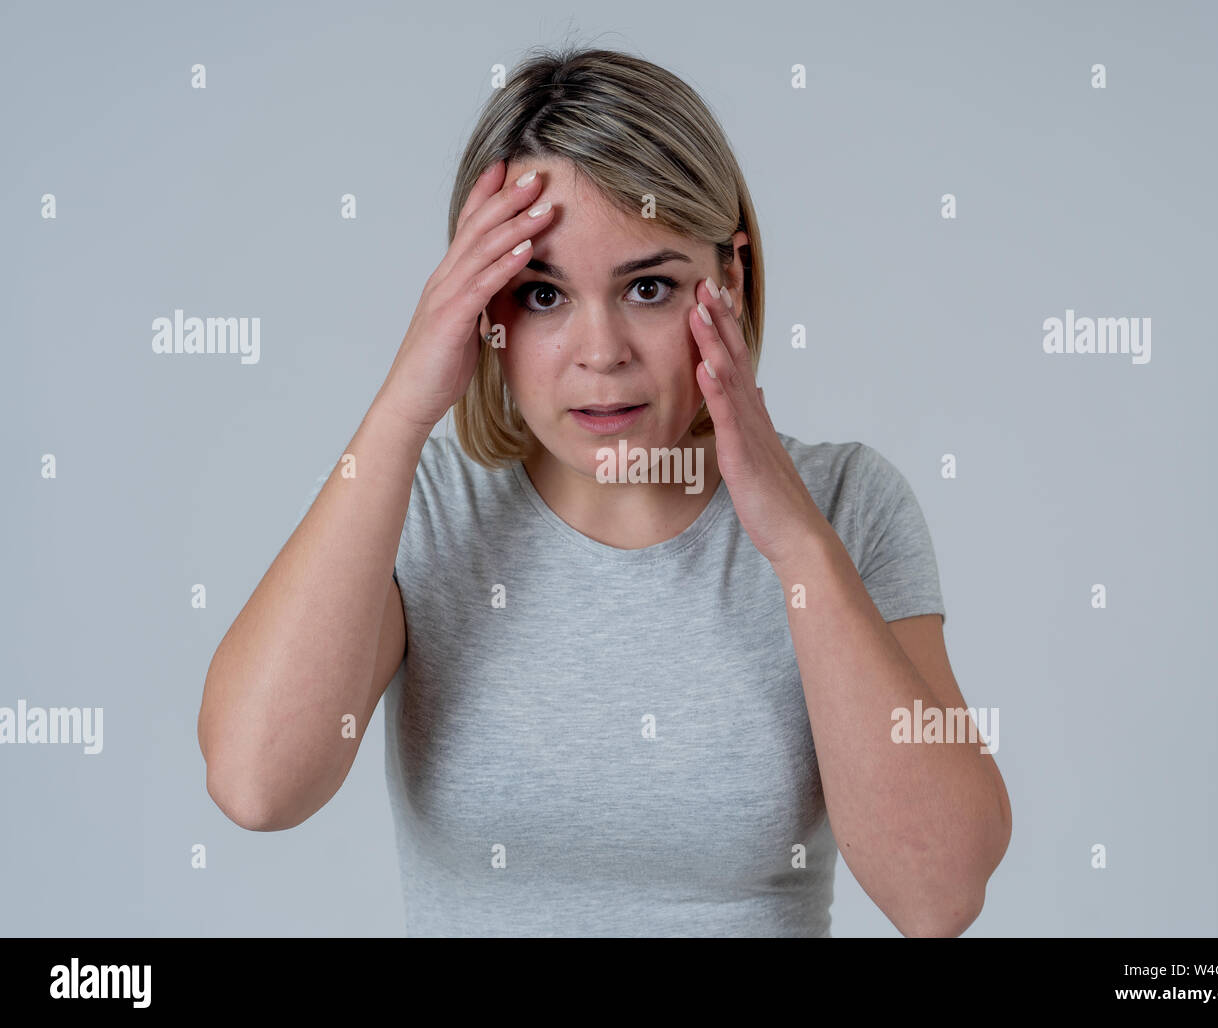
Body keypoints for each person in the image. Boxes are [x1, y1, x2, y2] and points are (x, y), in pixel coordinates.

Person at [197, 44, 1012, 938]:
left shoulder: (849, 503)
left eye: (650, 286)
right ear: (481, 309)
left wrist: (796, 543)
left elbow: (938, 894)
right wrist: (402, 408)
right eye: (542, 295)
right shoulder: (423, 506)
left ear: (730, 281)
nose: (601, 354)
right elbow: (256, 784)